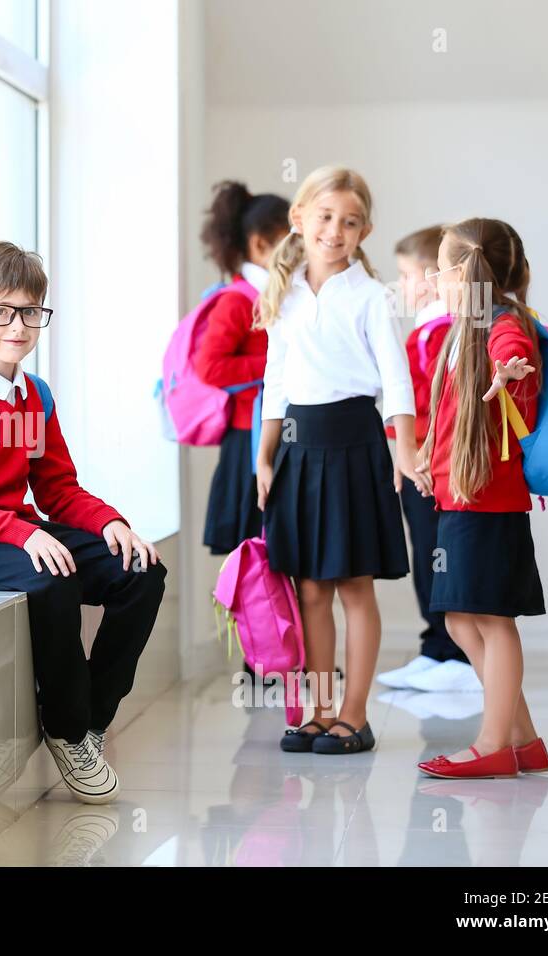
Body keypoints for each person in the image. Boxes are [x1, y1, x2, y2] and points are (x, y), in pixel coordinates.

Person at [0, 241, 168, 804]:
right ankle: (55, 733)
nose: (17, 325)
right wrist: (25, 532)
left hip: (12, 531)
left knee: (141, 569)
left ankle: (86, 719)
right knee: (52, 578)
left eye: (29, 311)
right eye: (0, 311)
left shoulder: (33, 394)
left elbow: (58, 489)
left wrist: (110, 524)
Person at [254, 166, 421, 755]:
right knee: (311, 591)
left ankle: (355, 714)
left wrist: (403, 451)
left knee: (354, 587)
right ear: (299, 218)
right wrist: (265, 457)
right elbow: (275, 384)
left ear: (364, 231)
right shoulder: (283, 294)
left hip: (356, 446)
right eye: (324, 217)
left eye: (349, 222)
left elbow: (396, 384)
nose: (335, 230)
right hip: (298, 449)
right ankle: (318, 711)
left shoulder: (373, 296)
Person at [416, 218, 548, 779]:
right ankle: (523, 739)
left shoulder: (500, 324)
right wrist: (429, 459)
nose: (434, 280)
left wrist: (509, 368)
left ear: (458, 272)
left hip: (486, 503)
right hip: (464, 496)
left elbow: (511, 350)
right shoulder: (461, 329)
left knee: (491, 621)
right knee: (461, 621)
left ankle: (495, 744)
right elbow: (450, 413)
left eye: (440, 270)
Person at [377, 226, 481, 694]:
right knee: (428, 555)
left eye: (406, 274)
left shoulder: (440, 332)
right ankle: (437, 646)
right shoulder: (431, 329)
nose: (401, 286)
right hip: (420, 462)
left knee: (439, 557)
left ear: (433, 277)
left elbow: (442, 404)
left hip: (429, 467)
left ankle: (453, 653)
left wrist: (415, 453)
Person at [193, 180, 290, 554]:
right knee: (249, 557)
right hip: (245, 442)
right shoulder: (238, 300)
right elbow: (210, 368)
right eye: (290, 241)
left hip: (270, 433)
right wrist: (278, 362)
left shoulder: (274, 294)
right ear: (262, 244)